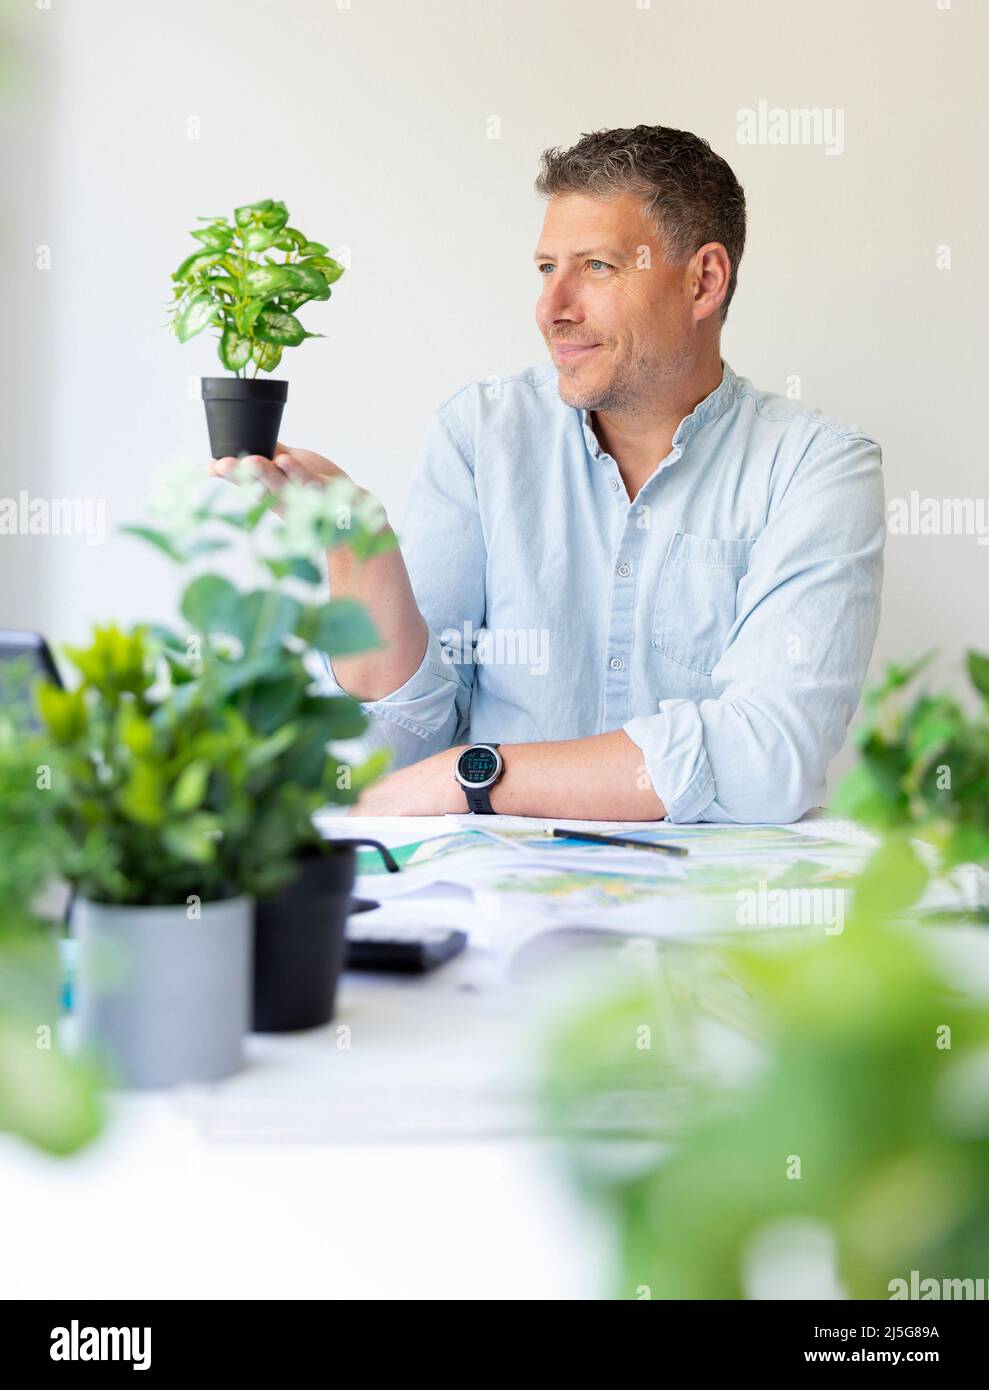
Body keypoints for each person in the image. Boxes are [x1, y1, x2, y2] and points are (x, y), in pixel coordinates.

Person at [211, 124, 884, 823]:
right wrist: (362, 555)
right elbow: (389, 766)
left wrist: (476, 778)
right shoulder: (478, 435)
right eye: (544, 268)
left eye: (595, 267)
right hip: (493, 898)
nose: (551, 308)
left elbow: (767, 758)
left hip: (715, 911)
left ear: (702, 281)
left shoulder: (817, 467)